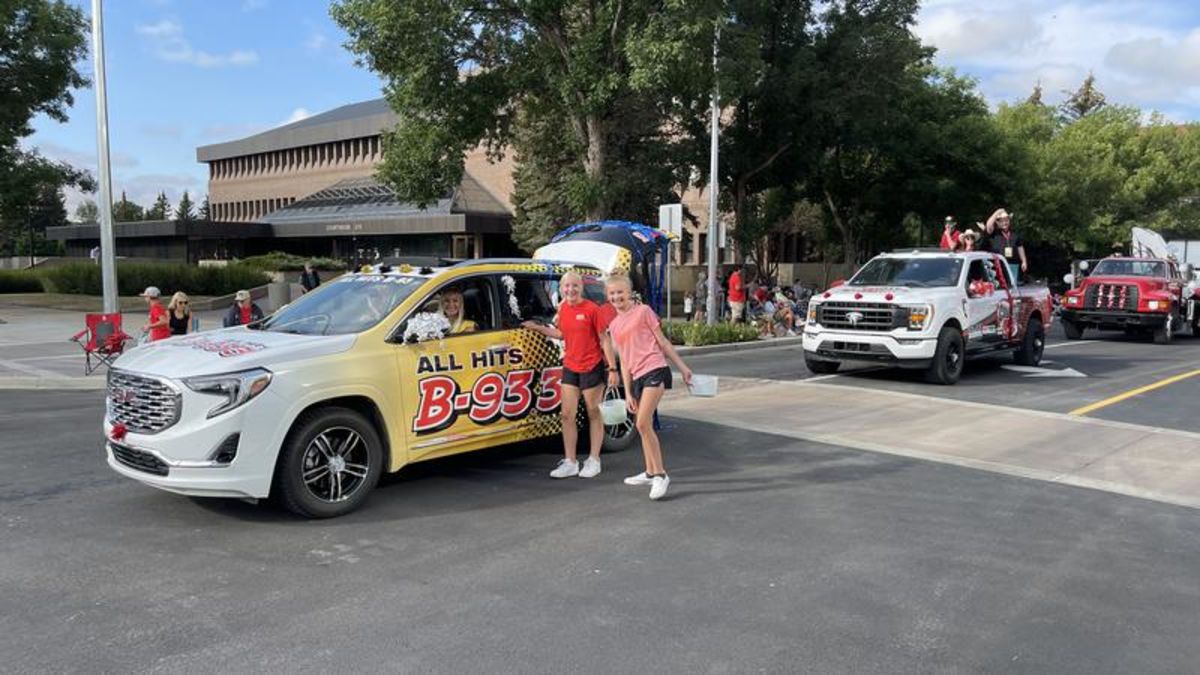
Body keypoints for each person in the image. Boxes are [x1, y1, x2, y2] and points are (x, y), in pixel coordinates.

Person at [522, 272, 618, 479]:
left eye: (575, 286)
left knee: (594, 413)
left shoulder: (592, 309)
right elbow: (561, 334)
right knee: (567, 415)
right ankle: (570, 461)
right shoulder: (563, 308)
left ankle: (594, 460)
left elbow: (605, 339)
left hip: (591, 366)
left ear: (581, 287)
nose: (571, 290)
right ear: (562, 288)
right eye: (567, 286)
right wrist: (538, 328)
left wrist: (612, 368)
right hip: (570, 366)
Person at [606, 273, 693, 500]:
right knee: (643, 426)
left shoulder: (643, 311)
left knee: (643, 423)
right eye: (612, 293)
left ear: (629, 293)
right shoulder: (614, 325)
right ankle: (649, 472)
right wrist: (627, 392)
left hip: (655, 369)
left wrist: (683, 368)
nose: (616, 297)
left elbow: (662, 342)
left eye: (620, 292)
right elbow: (624, 361)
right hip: (636, 377)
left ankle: (661, 475)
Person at [984, 208, 1027, 280]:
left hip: (1013, 264)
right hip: (998, 265)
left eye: (1006, 220)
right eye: (1001, 221)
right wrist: (998, 211)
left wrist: (1024, 261)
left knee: (1012, 284)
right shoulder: (994, 232)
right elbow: (988, 225)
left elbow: (1020, 247)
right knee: (999, 285)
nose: (1004, 223)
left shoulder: (1014, 233)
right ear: (997, 223)